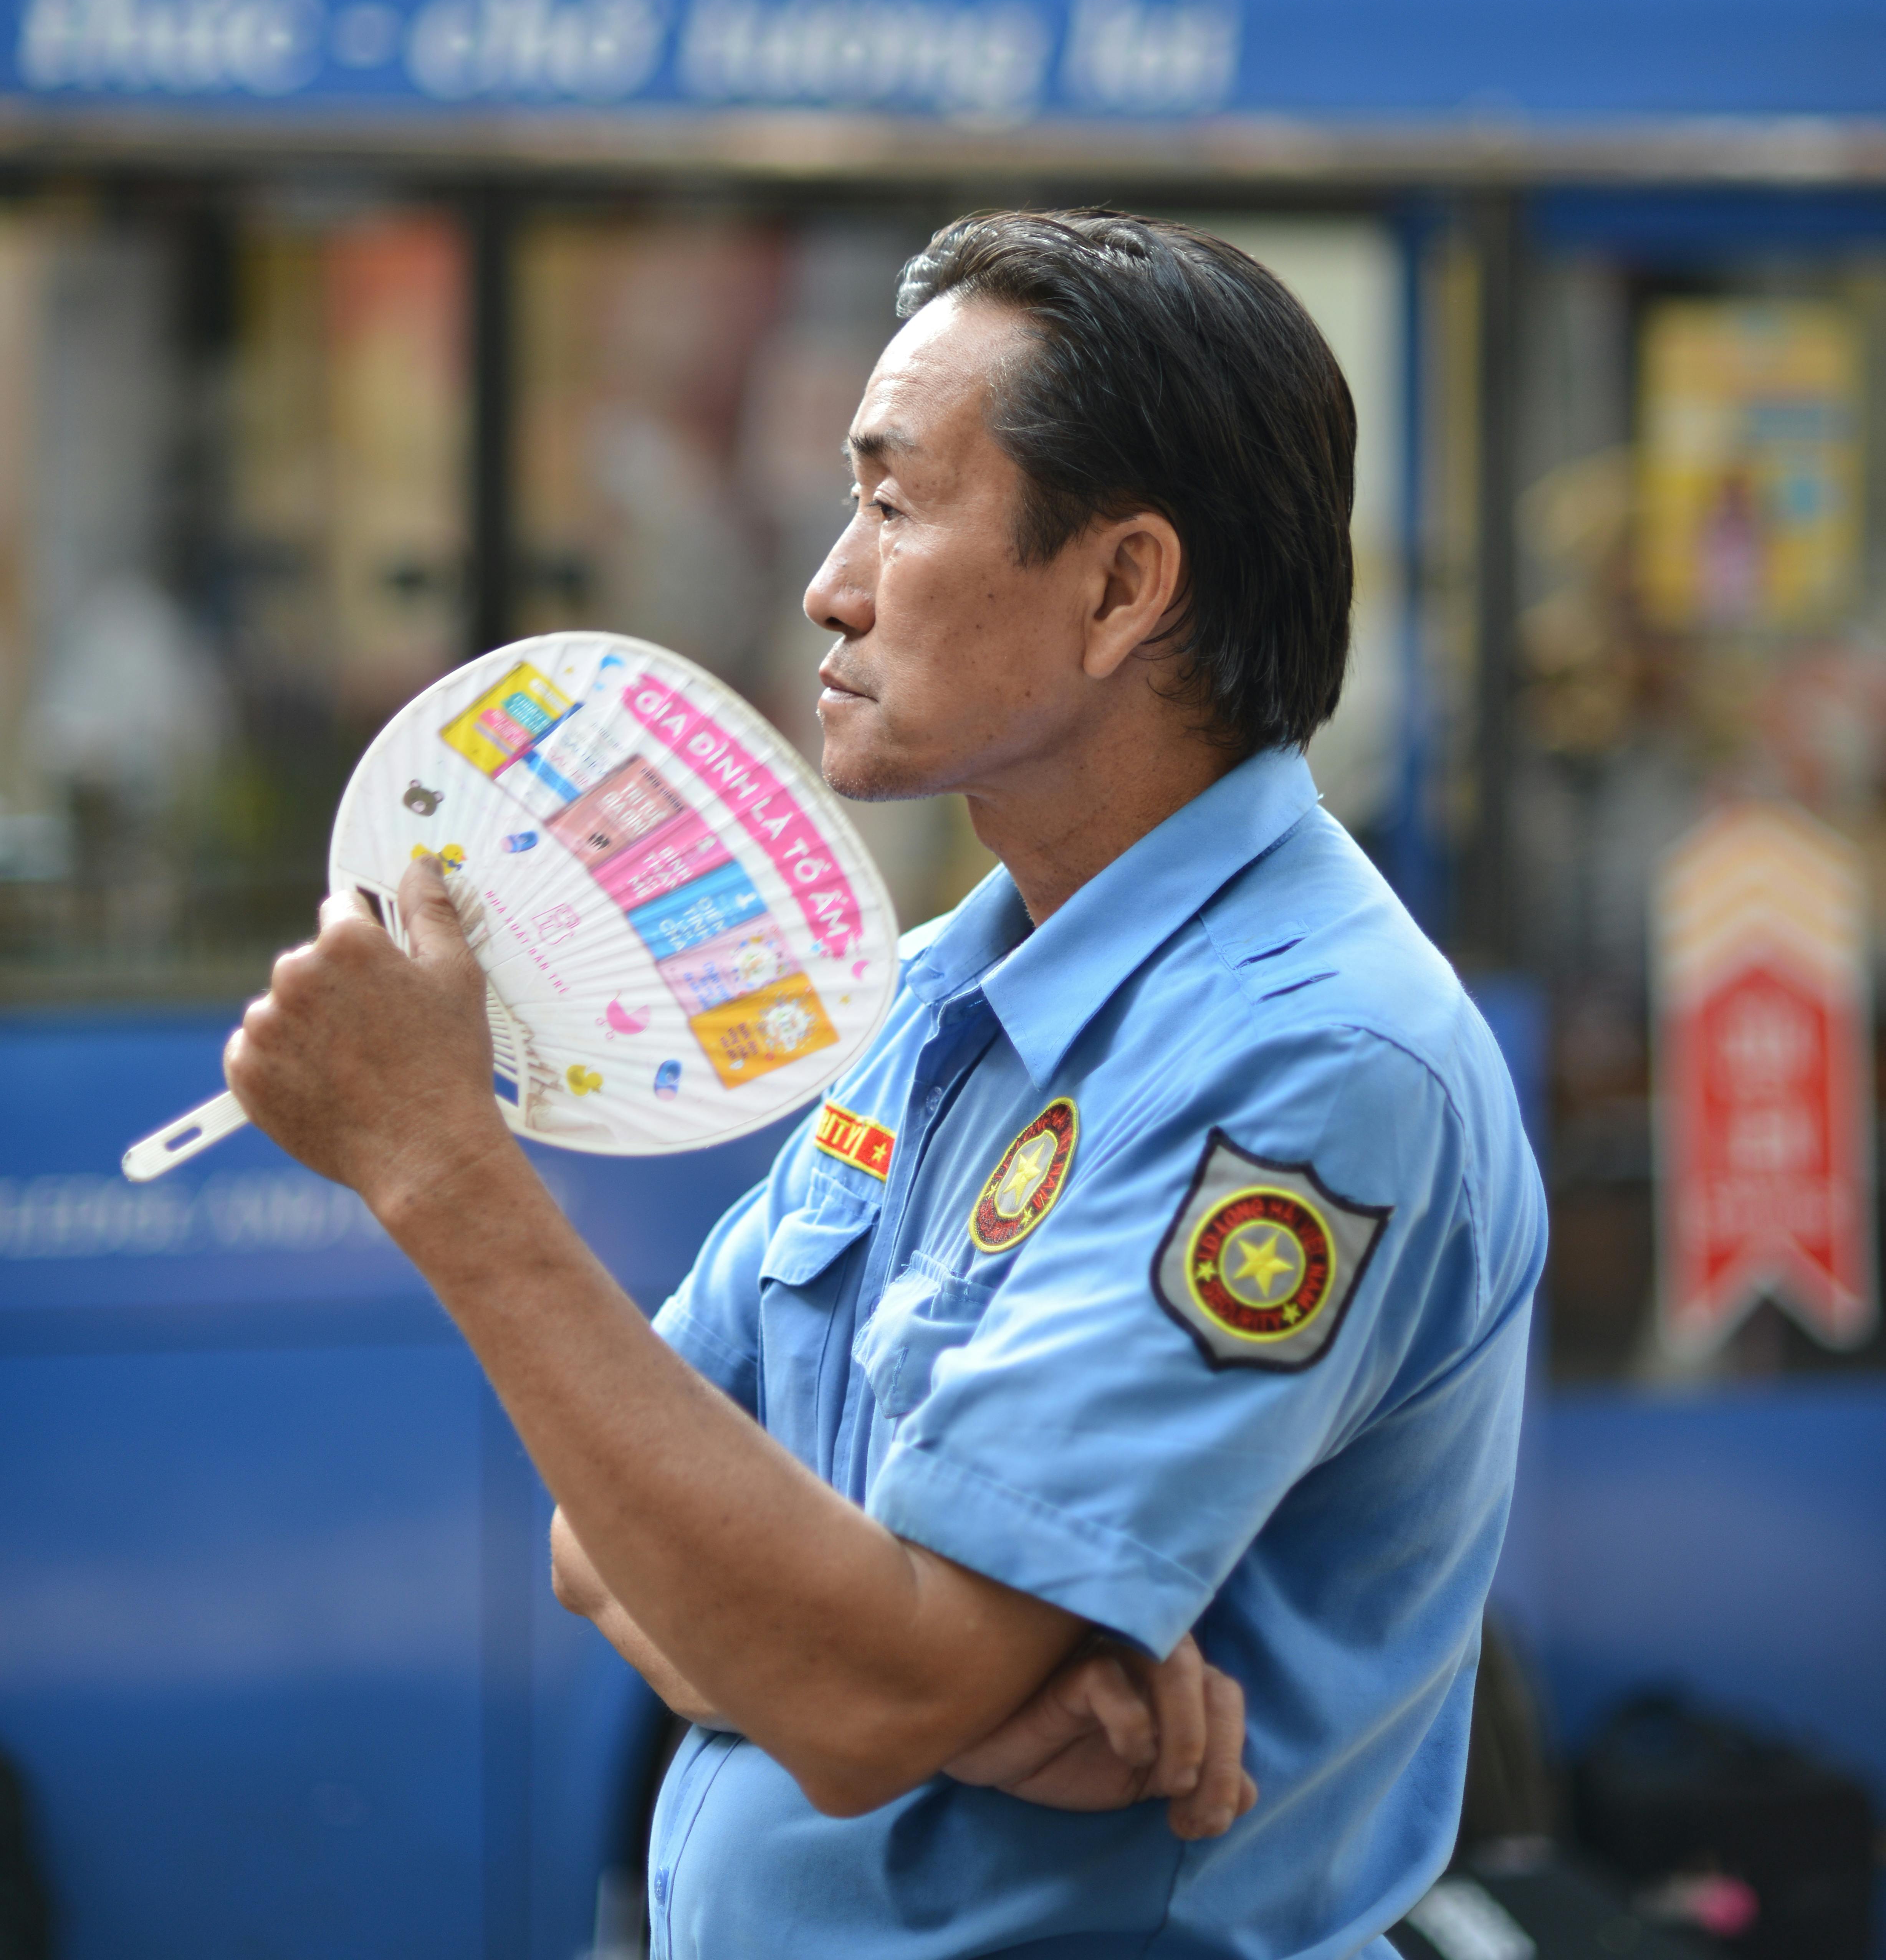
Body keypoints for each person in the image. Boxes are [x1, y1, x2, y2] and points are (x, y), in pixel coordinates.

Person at [227, 208, 1547, 1960]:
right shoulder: (940, 990)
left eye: (898, 503)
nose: (829, 581)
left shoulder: (1307, 1060)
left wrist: (440, 1168)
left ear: (1121, 587)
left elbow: (850, 1683)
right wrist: (952, 1698)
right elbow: (598, 1534)